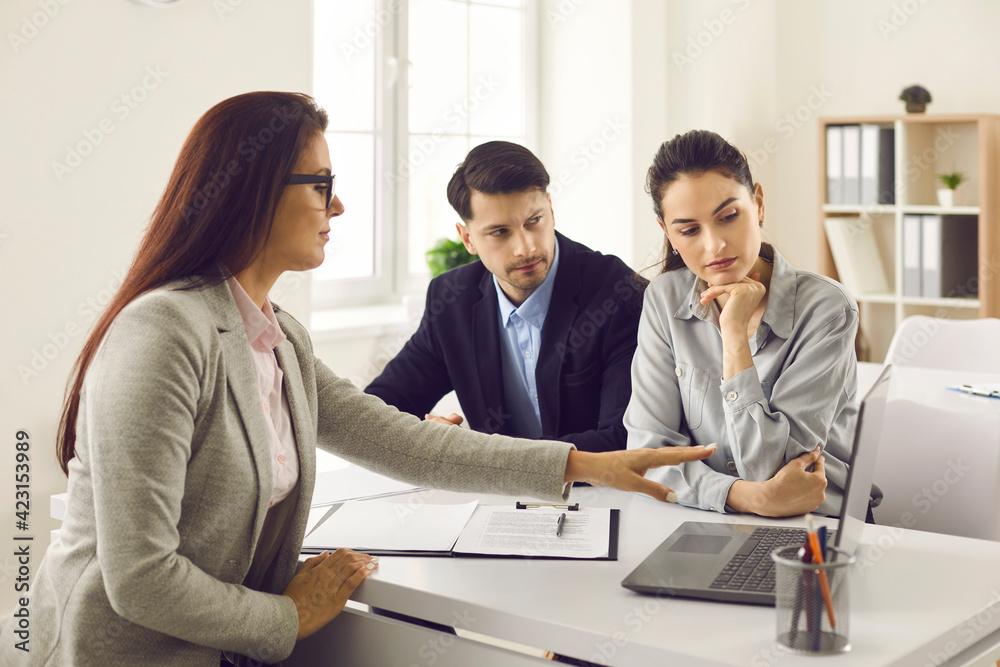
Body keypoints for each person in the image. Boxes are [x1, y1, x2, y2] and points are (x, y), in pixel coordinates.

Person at [0, 93, 715, 667]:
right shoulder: (163, 333)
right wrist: (288, 614)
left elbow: (400, 440)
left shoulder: (276, 336)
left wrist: (584, 463)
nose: (337, 206)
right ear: (253, 193)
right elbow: (139, 576)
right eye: (322, 185)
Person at [624, 129, 860, 519]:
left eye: (728, 217)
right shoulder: (665, 299)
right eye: (689, 230)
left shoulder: (827, 309)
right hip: (707, 519)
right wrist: (743, 496)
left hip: (816, 527)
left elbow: (771, 470)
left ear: (759, 204)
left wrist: (734, 338)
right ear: (667, 232)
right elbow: (647, 455)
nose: (714, 245)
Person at [366, 140, 644, 453]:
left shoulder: (619, 292)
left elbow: (623, 440)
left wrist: (473, 455)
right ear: (468, 239)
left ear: (551, 210)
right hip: (495, 499)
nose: (525, 248)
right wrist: (428, 437)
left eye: (534, 221)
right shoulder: (451, 300)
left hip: (602, 497)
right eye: (500, 232)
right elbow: (376, 410)